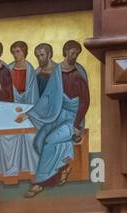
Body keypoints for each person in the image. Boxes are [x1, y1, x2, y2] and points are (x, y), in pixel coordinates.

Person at [25, 40, 89, 197]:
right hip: (58, 114)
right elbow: (48, 96)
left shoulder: (79, 74)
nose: (74, 56)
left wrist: (76, 126)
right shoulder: (57, 71)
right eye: (72, 52)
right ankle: (62, 169)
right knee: (38, 141)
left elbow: (85, 102)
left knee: (50, 142)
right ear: (66, 52)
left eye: (77, 53)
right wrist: (31, 113)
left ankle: (40, 183)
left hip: (73, 119)